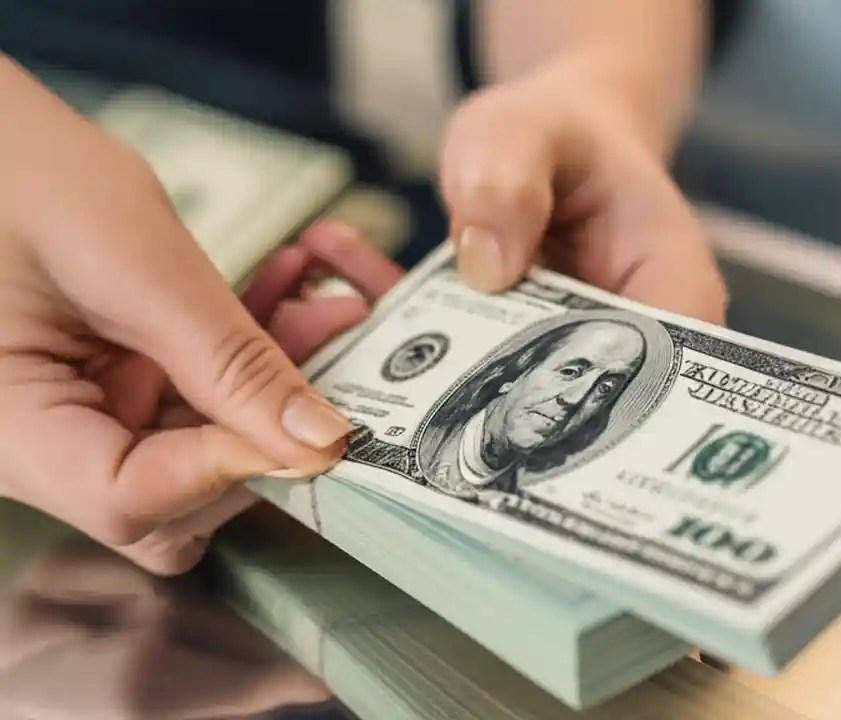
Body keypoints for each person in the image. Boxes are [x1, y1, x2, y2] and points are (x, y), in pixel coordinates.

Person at [0, 2, 731, 577]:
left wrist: (598, 78)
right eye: (577, 373)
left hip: (325, 198)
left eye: (601, 390)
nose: (580, 400)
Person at [419, 318, 647, 498]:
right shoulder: (426, 441)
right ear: (518, 372)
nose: (575, 398)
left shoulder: (531, 493)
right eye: (569, 372)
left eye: (604, 389)